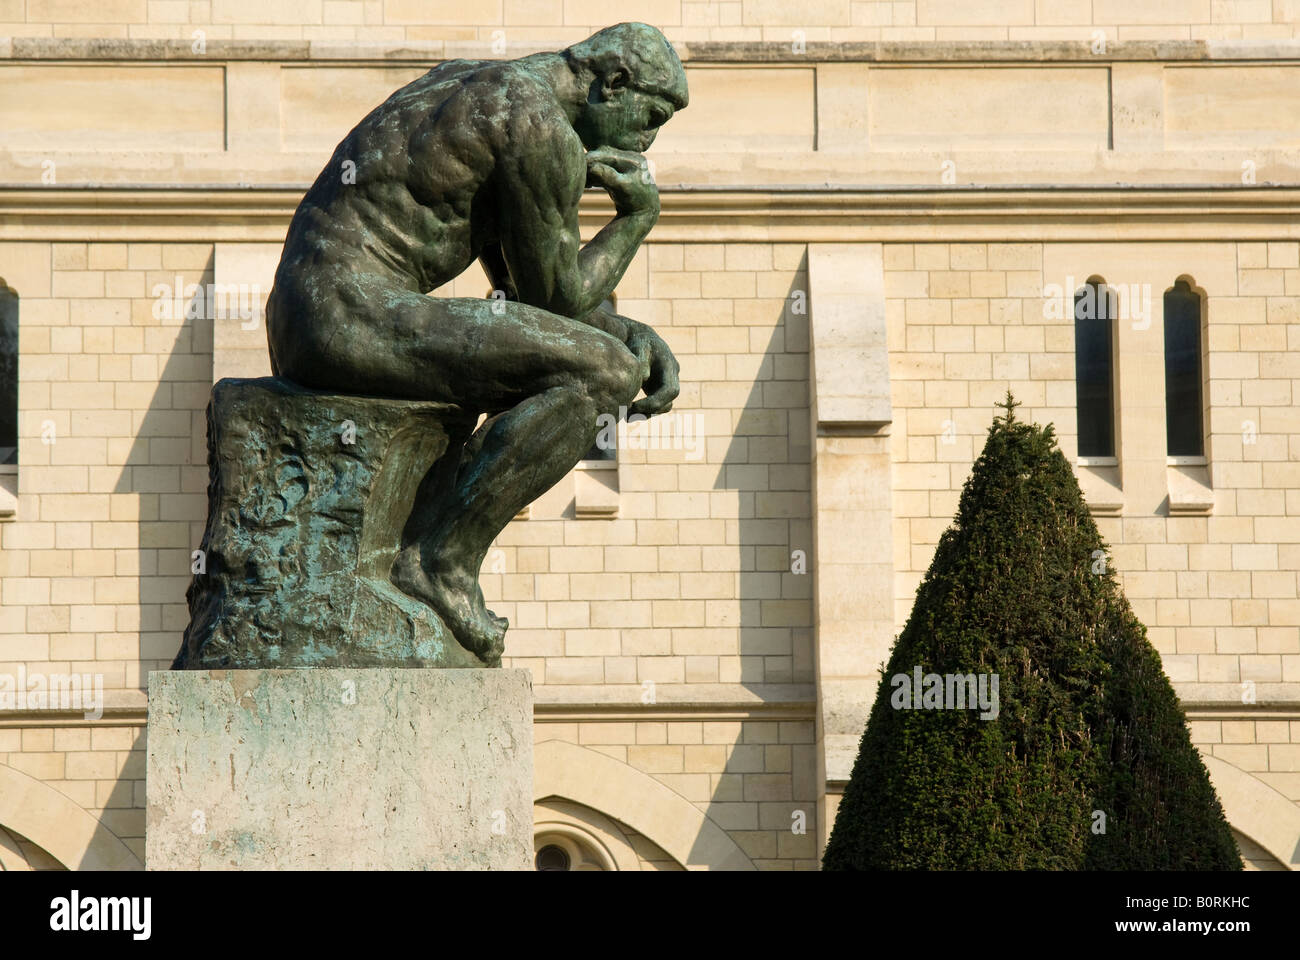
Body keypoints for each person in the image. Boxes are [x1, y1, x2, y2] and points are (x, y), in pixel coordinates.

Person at [265, 22, 688, 663]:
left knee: (604, 354)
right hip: (350, 315)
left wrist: (627, 329)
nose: (647, 141)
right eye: (651, 117)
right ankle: (442, 561)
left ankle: (434, 550)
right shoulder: (538, 124)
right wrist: (637, 219)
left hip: (311, 313)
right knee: (601, 377)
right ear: (614, 83)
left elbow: (525, 286)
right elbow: (555, 298)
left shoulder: (482, 84)